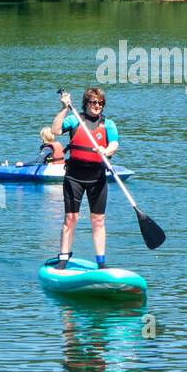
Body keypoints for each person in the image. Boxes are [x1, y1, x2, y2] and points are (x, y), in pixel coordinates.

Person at [50, 87, 119, 269]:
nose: (97, 106)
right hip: (74, 177)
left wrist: (106, 150)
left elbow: (114, 144)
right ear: (86, 103)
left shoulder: (109, 124)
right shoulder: (74, 119)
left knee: (98, 220)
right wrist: (64, 108)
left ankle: (101, 262)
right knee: (70, 218)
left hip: (97, 177)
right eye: (94, 102)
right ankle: (63, 258)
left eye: (101, 103)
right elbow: (55, 130)